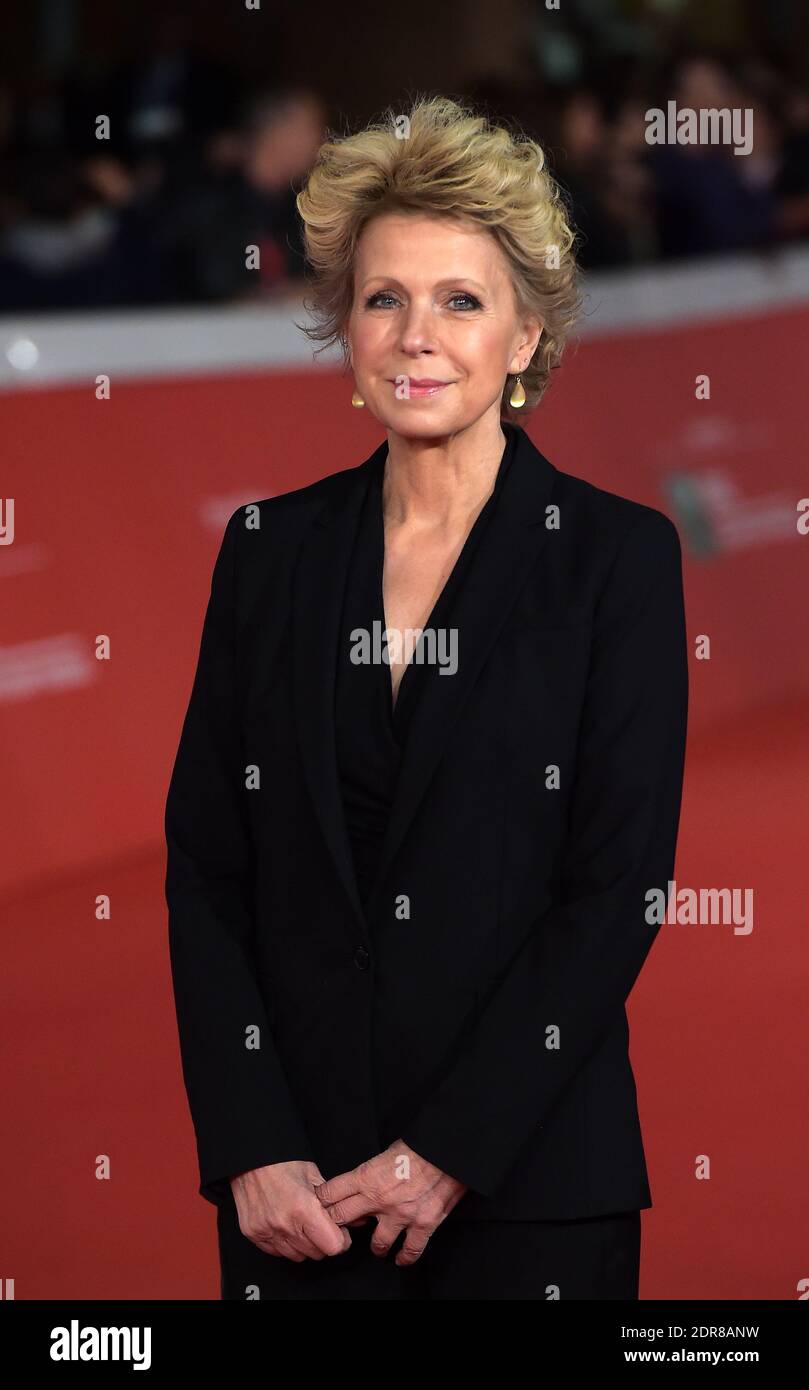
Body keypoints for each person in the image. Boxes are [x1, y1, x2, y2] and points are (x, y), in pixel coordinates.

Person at [165, 94, 688, 1300]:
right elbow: (208, 865)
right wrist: (248, 1142)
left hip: (531, 1188)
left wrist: (450, 1148)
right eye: (383, 298)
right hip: (302, 1201)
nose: (416, 336)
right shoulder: (268, 550)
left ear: (522, 340)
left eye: (460, 301)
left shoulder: (612, 558)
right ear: (343, 325)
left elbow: (616, 888)